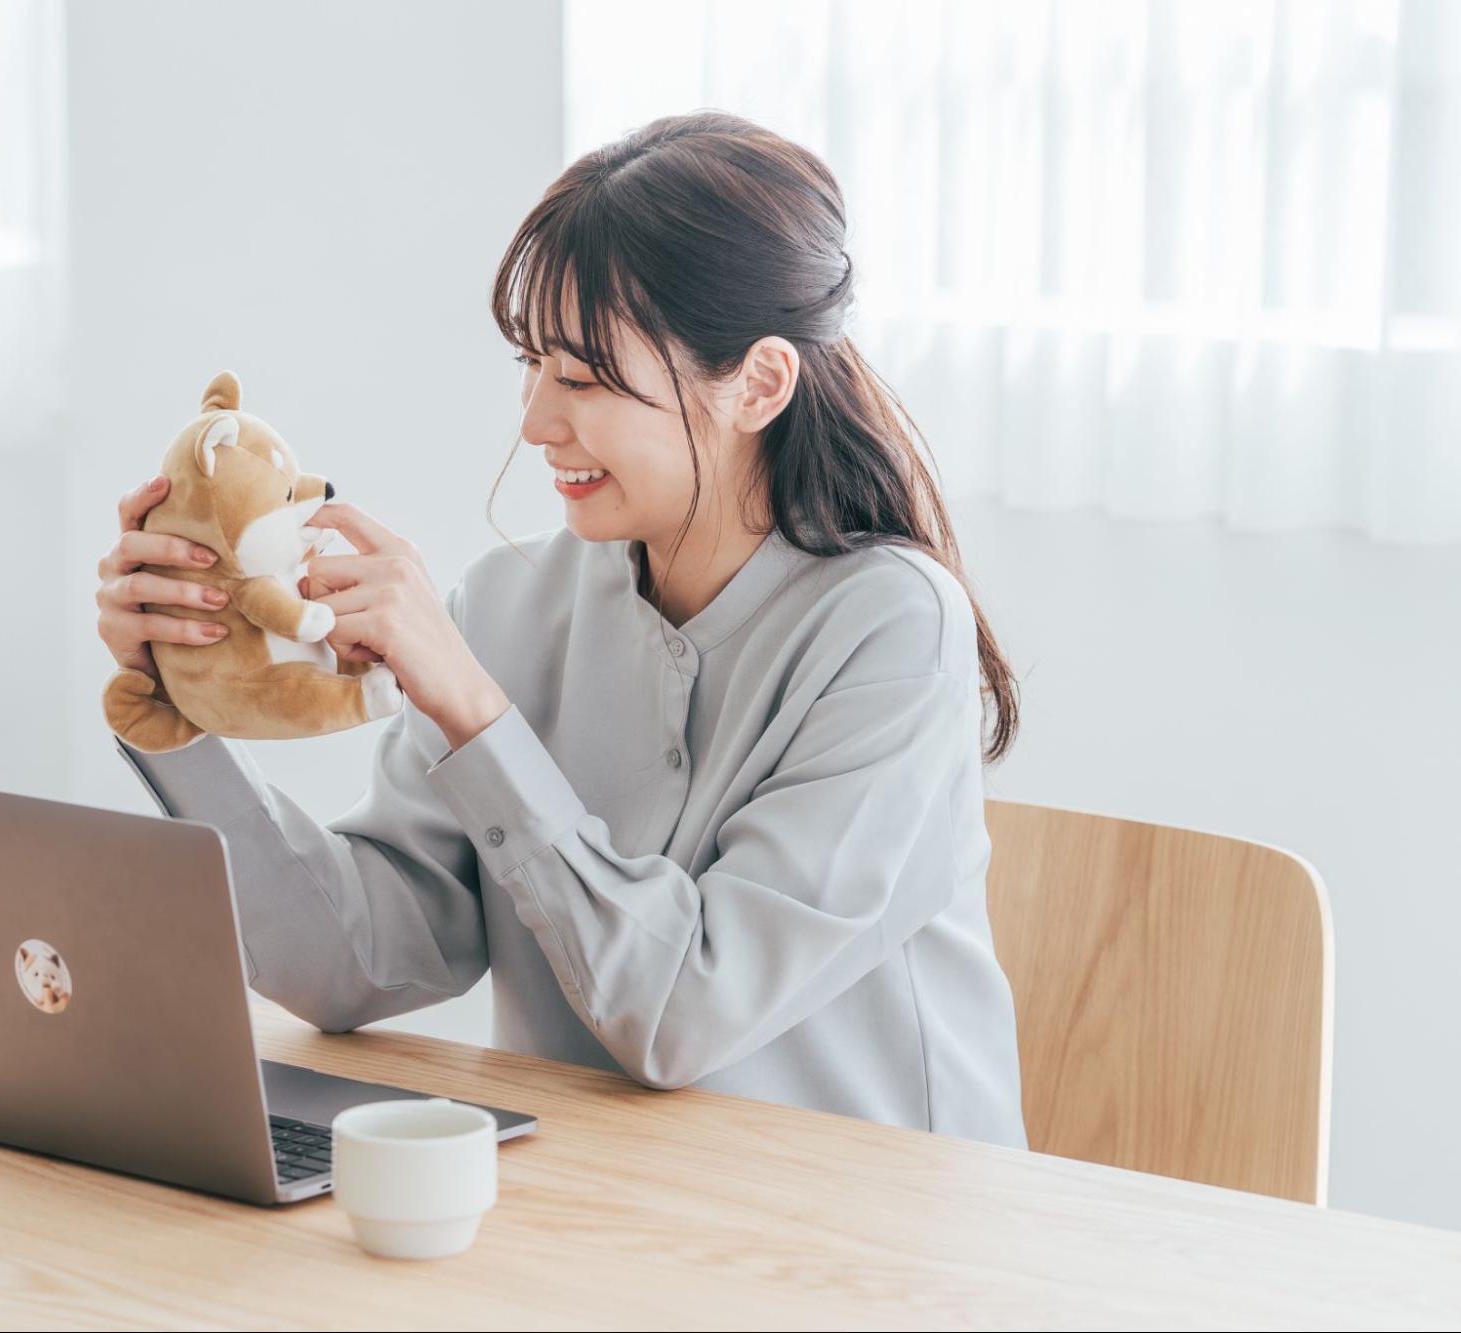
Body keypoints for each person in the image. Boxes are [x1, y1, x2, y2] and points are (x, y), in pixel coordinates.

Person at [94, 111, 1027, 1150]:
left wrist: (472, 710)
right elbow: (350, 963)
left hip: (864, 1256)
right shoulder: (511, 600)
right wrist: (179, 698)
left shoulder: (889, 628)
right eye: (531, 365)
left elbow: (684, 1013)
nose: (537, 419)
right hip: (598, 1219)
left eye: (580, 377)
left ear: (758, 383)